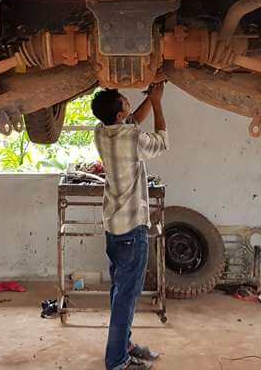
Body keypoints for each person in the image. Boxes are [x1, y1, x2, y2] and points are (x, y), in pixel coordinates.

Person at [92, 81, 169, 370]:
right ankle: (117, 361)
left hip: (114, 227)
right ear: (120, 114)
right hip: (133, 229)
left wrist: (151, 96)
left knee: (119, 291)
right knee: (127, 296)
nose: (128, 102)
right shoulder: (132, 138)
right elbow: (162, 141)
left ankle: (123, 344)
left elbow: (131, 122)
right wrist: (159, 103)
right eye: (125, 100)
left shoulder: (101, 132)